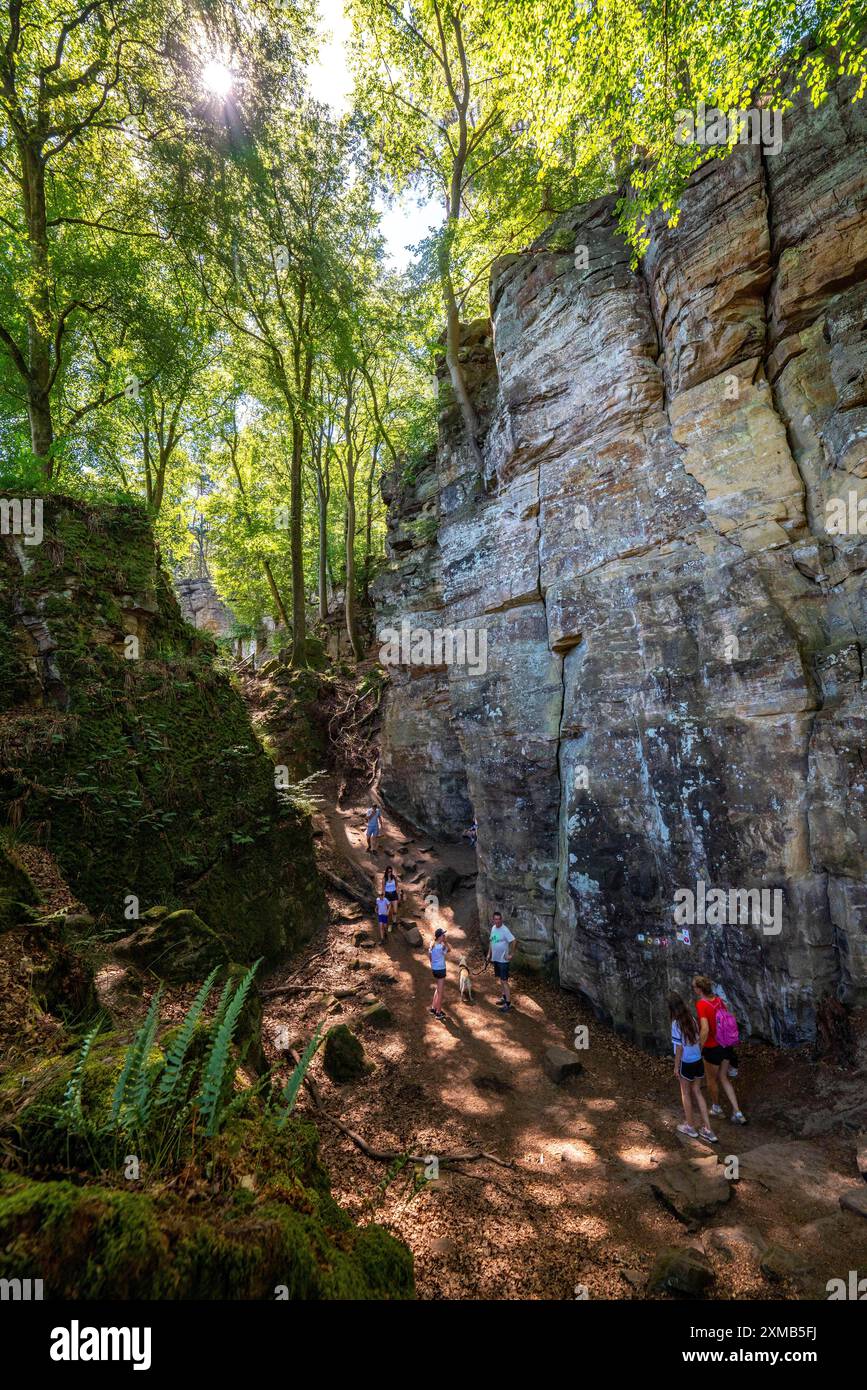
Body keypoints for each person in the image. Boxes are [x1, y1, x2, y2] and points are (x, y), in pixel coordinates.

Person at [693, 975, 747, 1124]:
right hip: (726, 1045)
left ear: (699, 989)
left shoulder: (701, 1004)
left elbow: (705, 1029)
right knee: (724, 1077)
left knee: (711, 1079)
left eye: (694, 987)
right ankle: (737, 1112)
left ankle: (716, 1107)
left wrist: (699, 1047)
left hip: (712, 1047)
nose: (694, 989)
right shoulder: (719, 1001)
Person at [668, 992, 717, 1143]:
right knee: (698, 1092)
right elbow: (698, 1039)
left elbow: (679, 1049)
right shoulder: (692, 1019)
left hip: (686, 1062)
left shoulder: (676, 1024)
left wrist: (676, 1067)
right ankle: (708, 1130)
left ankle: (690, 1126)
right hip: (697, 1060)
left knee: (685, 1093)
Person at [487, 911, 515, 1012]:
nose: (497, 921)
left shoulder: (505, 930)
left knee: (504, 981)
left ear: (501, 919)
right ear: (493, 920)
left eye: (499, 919)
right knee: (500, 979)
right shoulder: (494, 928)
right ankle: (504, 998)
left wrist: (511, 954)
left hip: (503, 961)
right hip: (496, 959)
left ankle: (508, 1004)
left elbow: (513, 941)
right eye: (496, 919)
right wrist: (489, 954)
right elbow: (492, 941)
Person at [429, 927, 449, 1020]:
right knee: (440, 992)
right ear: (439, 937)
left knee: (438, 988)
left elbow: (430, 957)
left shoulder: (432, 945)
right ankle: (438, 1012)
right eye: (443, 935)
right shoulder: (441, 946)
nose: (444, 936)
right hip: (441, 970)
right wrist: (445, 942)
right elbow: (449, 950)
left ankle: (433, 1007)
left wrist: (432, 965)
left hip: (435, 970)